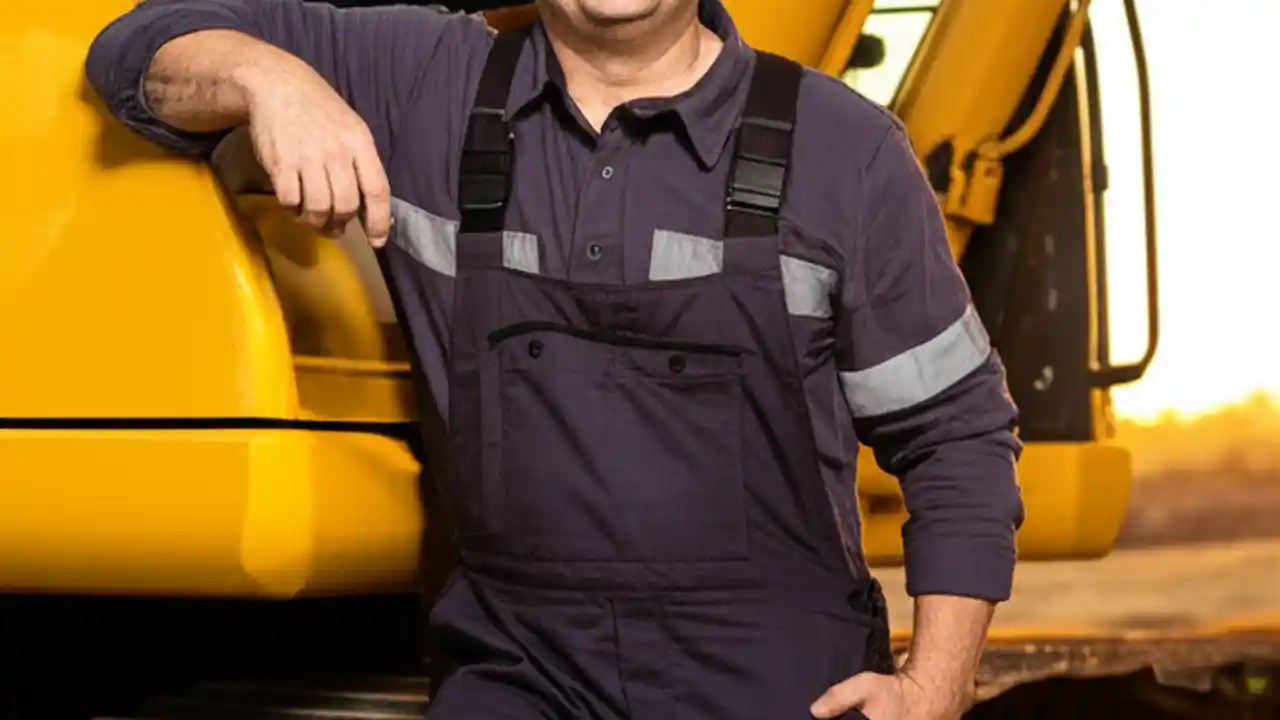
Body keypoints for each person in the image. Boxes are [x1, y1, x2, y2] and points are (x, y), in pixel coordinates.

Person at [85, 0, 1025, 717]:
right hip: (516, 676)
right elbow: (133, 50)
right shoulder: (425, 80)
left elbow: (958, 435)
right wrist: (267, 79)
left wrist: (933, 688)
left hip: (773, 687)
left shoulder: (845, 151)